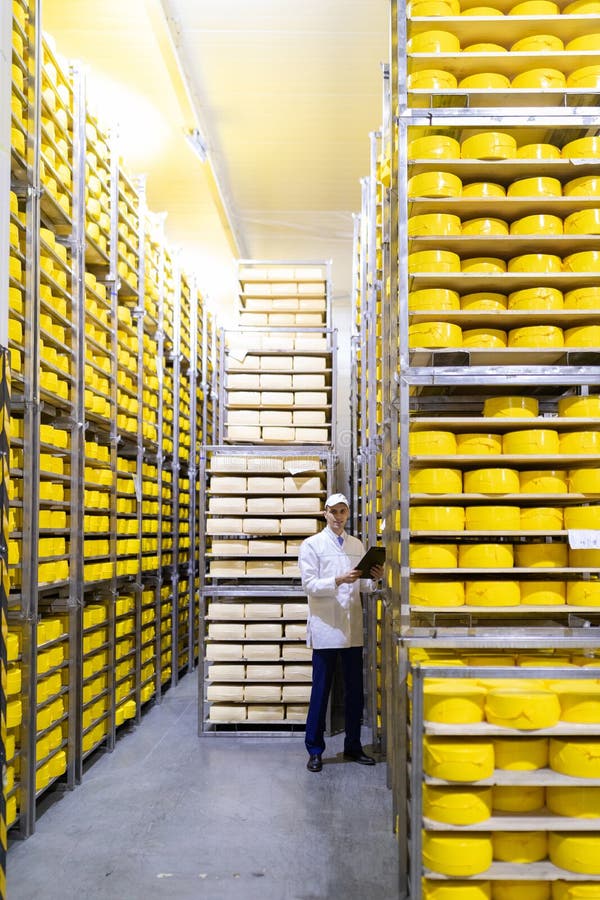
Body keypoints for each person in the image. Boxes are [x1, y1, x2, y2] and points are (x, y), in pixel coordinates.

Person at [297, 492, 384, 773]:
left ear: (348, 514)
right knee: (321, 692)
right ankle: (315, 749)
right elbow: (310, 585)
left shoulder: (357, 545)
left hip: (351, 629)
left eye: (342, 511)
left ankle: (353, 746)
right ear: (325, 513)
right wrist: (338, 579)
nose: (338, 517)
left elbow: (363, 587)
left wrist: (375, 579)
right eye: (333, 511)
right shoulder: (311, 545)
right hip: (326, 628)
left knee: (354, 693)